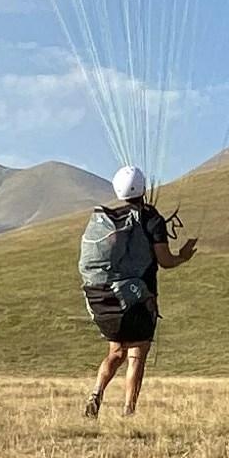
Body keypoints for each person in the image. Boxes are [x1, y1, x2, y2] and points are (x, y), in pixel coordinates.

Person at [77, 164, 196, 419]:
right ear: (143, 187)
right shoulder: (151, 220)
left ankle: (96, 393)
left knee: (116, 351)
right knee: (137, 354)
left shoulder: (110, 222)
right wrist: (183, 256)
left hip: (105, 299)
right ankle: (128, 411)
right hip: (137, 299)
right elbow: (165, 261)